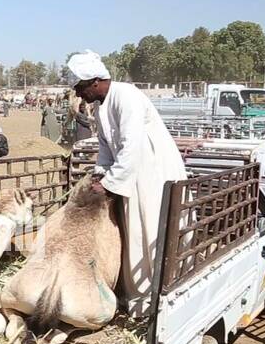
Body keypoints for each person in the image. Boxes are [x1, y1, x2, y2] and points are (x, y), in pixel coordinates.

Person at [67, 49, 187, 318]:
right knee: (133, 231)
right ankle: (137, 297)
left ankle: (161, 295)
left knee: (151, 228)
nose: (78, 95)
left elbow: (131, 146)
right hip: (129, 174)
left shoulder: (126, 96)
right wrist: (101, 173)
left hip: (152, 173)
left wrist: (110, 182)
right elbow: (106, 147)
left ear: (95, 81)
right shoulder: (100, 107)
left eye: (80, 88)